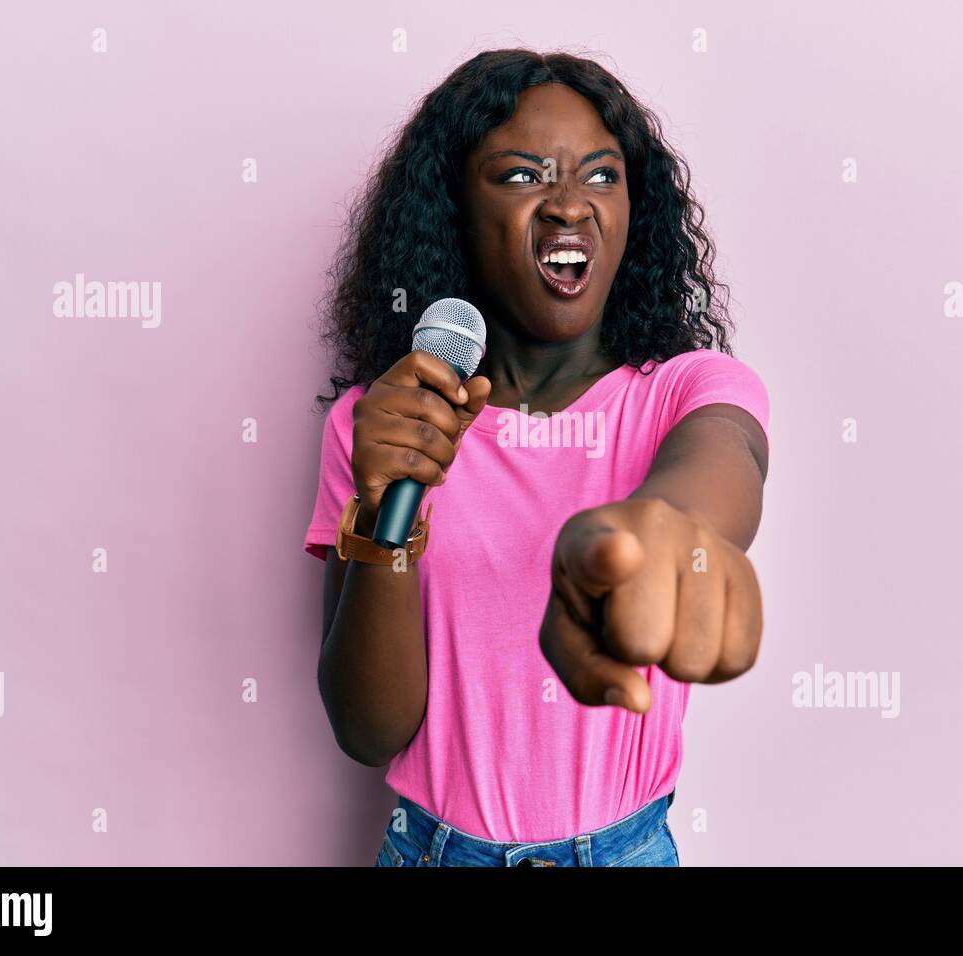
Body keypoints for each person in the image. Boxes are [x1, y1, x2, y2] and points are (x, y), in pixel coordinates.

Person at [305, 49, 770, 867]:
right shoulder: (380, 425)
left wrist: (659, 533)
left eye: (600, 177)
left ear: (635, 207)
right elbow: (369, 728)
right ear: (454, 209)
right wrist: (388, 510)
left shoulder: (684, 392)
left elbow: (722, 460)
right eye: (521, 177)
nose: (568, 206)